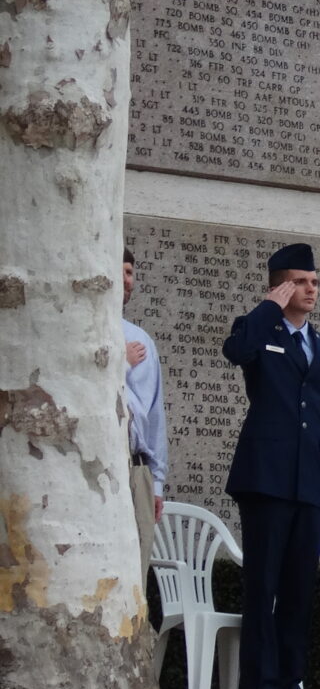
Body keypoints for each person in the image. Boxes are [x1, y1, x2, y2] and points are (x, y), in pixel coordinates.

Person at [222, 242, 320, 689]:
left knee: (298, 587)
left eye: (314, 282)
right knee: (263, 584)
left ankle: (292, 683)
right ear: (281, 285)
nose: (311, 289)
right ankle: (260, 687)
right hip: (266, 477)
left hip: (309, 481)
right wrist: (268, 306)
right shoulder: (259, 330)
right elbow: (236, 351)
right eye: (301, 282)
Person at [120, 246, 168, 585]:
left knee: (133, 571)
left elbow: (153, 415)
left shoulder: (140, 339)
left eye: (130, 272)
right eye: (120, 271)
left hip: (135, 469)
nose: (127, 281)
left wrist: (157, 482)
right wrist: (118, 364)